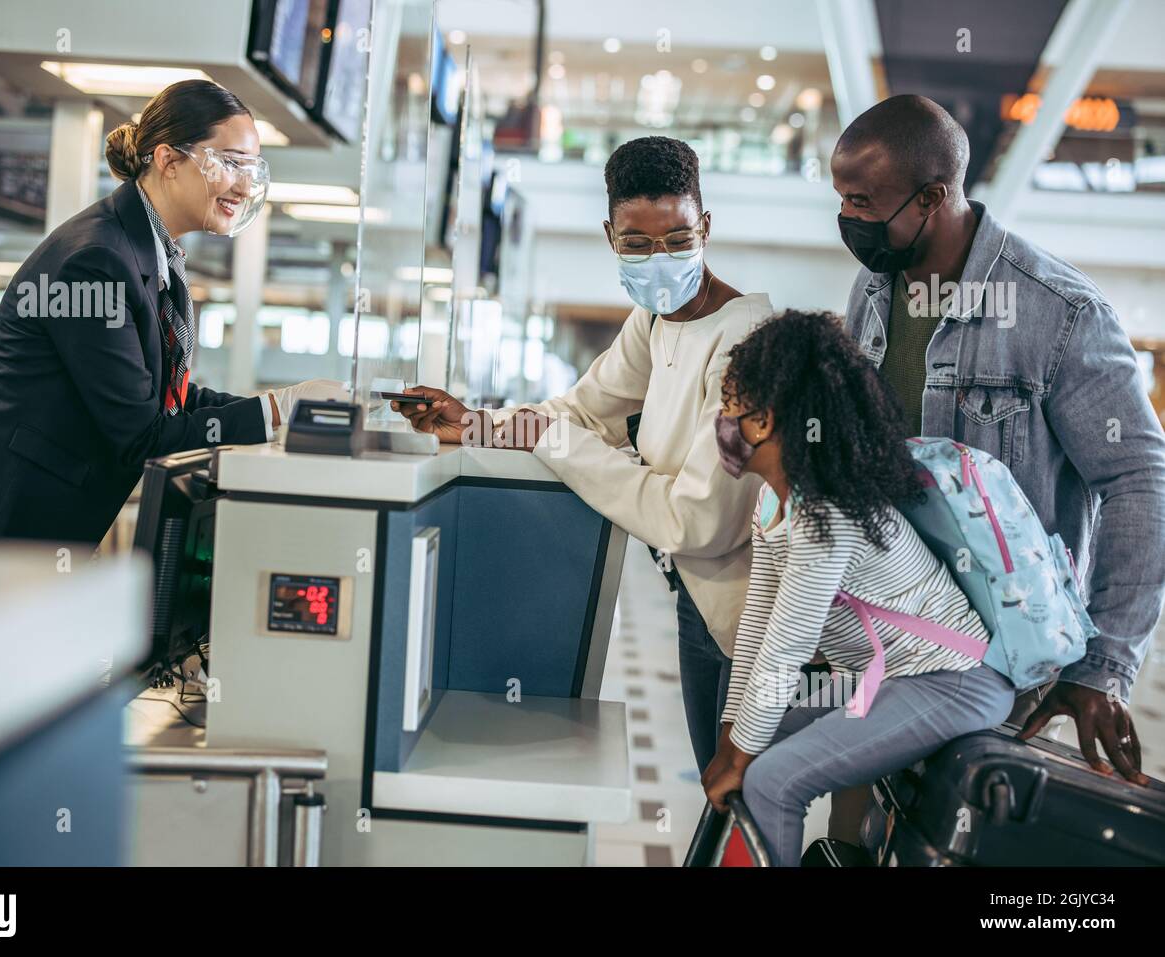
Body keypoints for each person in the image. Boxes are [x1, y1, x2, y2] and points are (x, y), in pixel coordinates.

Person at [394, 136, 774, 770]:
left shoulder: (746, 341)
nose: (661, 259)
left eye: (679, 239)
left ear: (705, 227)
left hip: (747, 619)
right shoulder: (655, 322)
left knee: (744, 801)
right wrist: (475, 424)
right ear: (609, 235)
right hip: (696, 601)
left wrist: (559, 442)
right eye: (637, 243)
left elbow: (696, 521)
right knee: (720, 794)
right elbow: (577, 413)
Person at [831, 94, 1165, 783]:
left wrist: (1103, 666)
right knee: (856, 835)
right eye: (843, 199)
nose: (849, 219)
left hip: (1003, 663)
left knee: (962, 833)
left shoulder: (1058, 312)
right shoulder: (873, 288)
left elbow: (1139, 480)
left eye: (865, 202)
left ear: (931, 197)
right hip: (889, 635)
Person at [0, 80, 341, 544]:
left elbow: (165, 396)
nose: (242, 185)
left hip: (25, 512)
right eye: (231, 164)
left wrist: (285, 409)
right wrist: (275, 411)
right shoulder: (96, 260)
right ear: (168, 160)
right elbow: (144, 435)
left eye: (251, 169)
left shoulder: (148, 253)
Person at [700, 309, 1016, 867]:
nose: (722, 421)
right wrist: (731, 734)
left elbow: (789, 645)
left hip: (954, 682)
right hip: (895, 680)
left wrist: (742, 753)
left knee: (773, 779)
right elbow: (758, 625)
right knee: (754, 745)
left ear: (765, 420)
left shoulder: (829, 511)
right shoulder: (776, 500)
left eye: (729, 405)